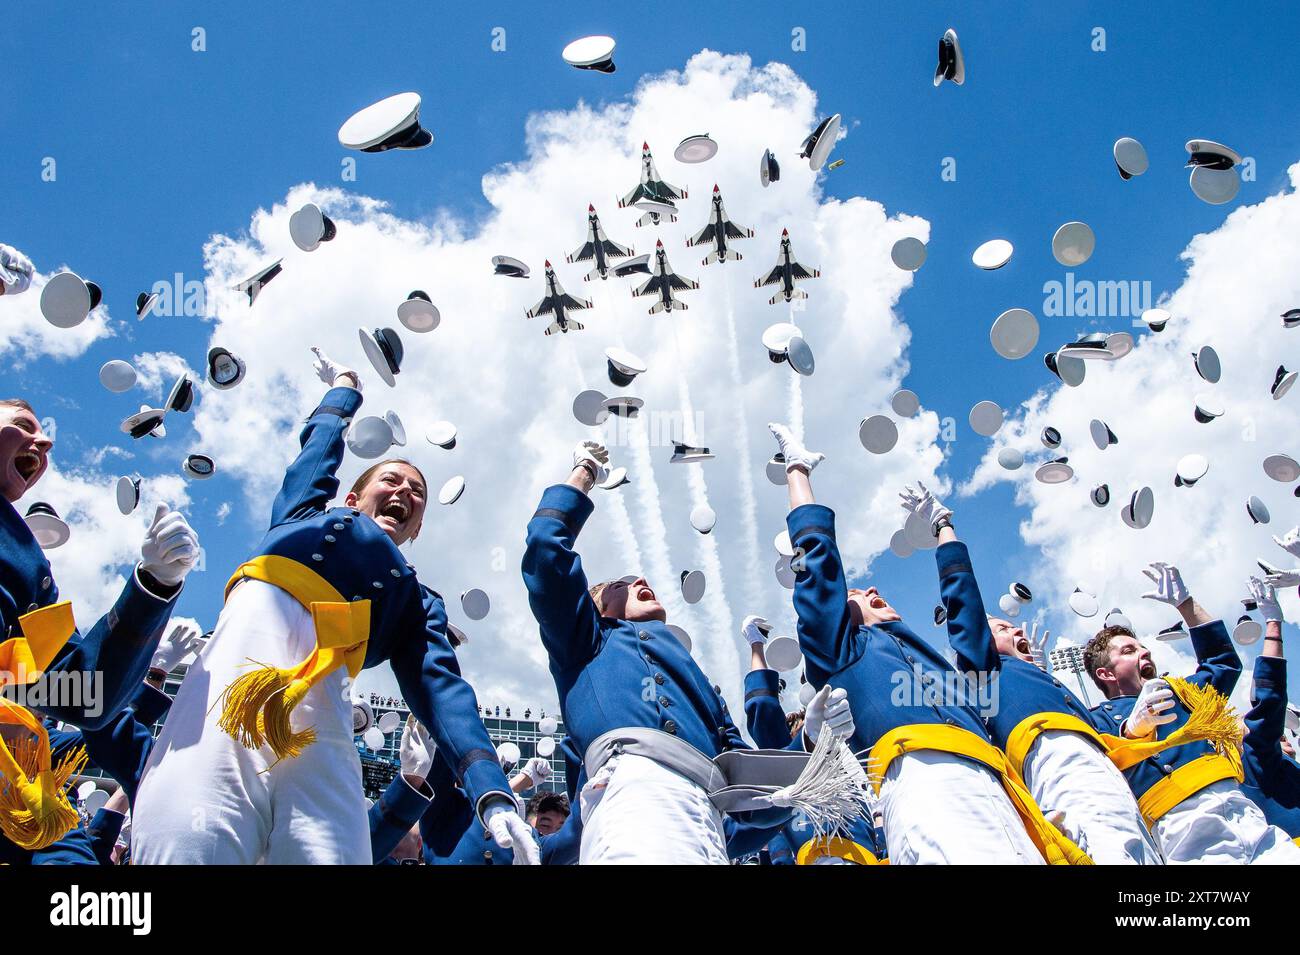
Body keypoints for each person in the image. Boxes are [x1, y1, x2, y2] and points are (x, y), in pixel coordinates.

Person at [132, 349, 531, 864]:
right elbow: (317, 451)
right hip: (228, 689)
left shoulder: (416, 602)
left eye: (418, 493)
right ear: (349, 500)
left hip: (322, 720)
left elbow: (444, 694)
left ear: (418, 527)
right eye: (391, 480)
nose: (405, 492)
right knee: (192, 840)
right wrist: (345, 389)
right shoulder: (299, 516)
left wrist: (490, 790)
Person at [769, 423, 1078, 864]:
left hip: (998, 786)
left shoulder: (945, 670)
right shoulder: (842, 654)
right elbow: (818, 565)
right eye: (855, 593)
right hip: (924, 785)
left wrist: (944, 527)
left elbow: (966, 614)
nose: (870, 587)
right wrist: (797, 470)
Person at [521, 440, 813, 864]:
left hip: (706, 831)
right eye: (622, 583)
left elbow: (751, 801)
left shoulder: (700, 684)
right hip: (629, 806)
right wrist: (584, 473)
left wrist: (807, 743)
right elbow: (546, 552)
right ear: (597, 607)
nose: (640, 578)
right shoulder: (584, 640)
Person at [910, 482, 1163, 864]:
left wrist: (1129, 729)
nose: (1015, 629)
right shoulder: (986, 671)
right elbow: (963, 601)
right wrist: (943, 525)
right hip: (1059, 764)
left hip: (1105, 770)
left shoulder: (1046, 681)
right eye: (999, 628)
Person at [0, 396, 198, 857]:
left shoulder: (30, 570)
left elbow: (81, 693)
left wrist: (153, 585)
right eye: (22, 425)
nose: (44, 442)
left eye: (43, 439)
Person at [1085, 562, 1300, 863]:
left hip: (1244, 812)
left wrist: (1187, 605)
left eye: (1143, 647)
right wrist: (1132, 731)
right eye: (1129, 651)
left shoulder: (1180, 694)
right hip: (1185, 830)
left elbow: (1222, 663)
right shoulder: (1094, 720)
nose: (1144, 652)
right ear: (1106, 675)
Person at [740, 615, 882, 865]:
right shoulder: (791, 765)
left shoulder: (847, 757)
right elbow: (762, 707)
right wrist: (756, 644)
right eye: (802, 727)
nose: (810, 729)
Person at [1238, 577, 1299, 839]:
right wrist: (1273, 624)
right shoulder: (1256, 761)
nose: (1281, 734)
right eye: (1277, 734)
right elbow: (1269, 697)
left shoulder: (1288, 772)